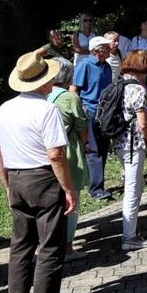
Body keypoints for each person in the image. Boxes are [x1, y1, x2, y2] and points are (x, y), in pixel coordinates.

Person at [0, 51, 77, 293]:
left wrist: (7, 184)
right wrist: (68, 188)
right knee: (51, 245)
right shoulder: (46, 109)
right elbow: (55, 154)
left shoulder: (4, 109)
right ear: (43, 82)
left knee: (20, 245)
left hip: (16, 177)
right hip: (42, 179)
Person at [46, 58, 89, 261]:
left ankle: (45, 242)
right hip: (68, 151)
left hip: (43, 153)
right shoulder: (71, 98)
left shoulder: (41, 94)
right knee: (71, 198)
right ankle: (68, 247)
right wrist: (83, 144)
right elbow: (82, 128)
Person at [116, 50, 147, 251]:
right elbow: (142, 124)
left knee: (136, 184)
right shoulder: (137, 89)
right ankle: (128, 237)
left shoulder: (119, 83)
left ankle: (131, 229)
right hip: (133, 144)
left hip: (120, 143)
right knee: (132, 189)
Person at [70, 36, 113, 200]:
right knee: (94, 151)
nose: (110, 50)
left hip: (105, 113)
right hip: (90, 112)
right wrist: (79, 112)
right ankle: (95, 189)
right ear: (97, 51)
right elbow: (74, 89)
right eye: (106, 48)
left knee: (103, 149)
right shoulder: (84, 65)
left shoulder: (107, 66)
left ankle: (98, 185)